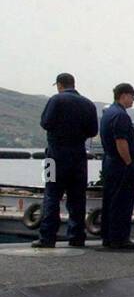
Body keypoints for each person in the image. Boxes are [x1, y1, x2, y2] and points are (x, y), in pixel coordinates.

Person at [33, 72, 98, 249]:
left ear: (60, 85)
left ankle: (47, 237)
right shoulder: (88, 104)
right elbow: (92, 131)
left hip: (54, 155)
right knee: (77, 197)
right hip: (78, 156)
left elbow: (45, 123)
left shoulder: (56, 100)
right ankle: (77, 236)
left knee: (51, 195)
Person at [98, 82, 134, 250]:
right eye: (132, 97)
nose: (133, 101)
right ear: (123, 95)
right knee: (121, 202)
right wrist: (129, 162)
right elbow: (121, 141)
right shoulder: (121, 116)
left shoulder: (109, 113)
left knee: (110, 200)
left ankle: (108, 237)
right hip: (120, 163)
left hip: (110, 162)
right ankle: (120, 238)